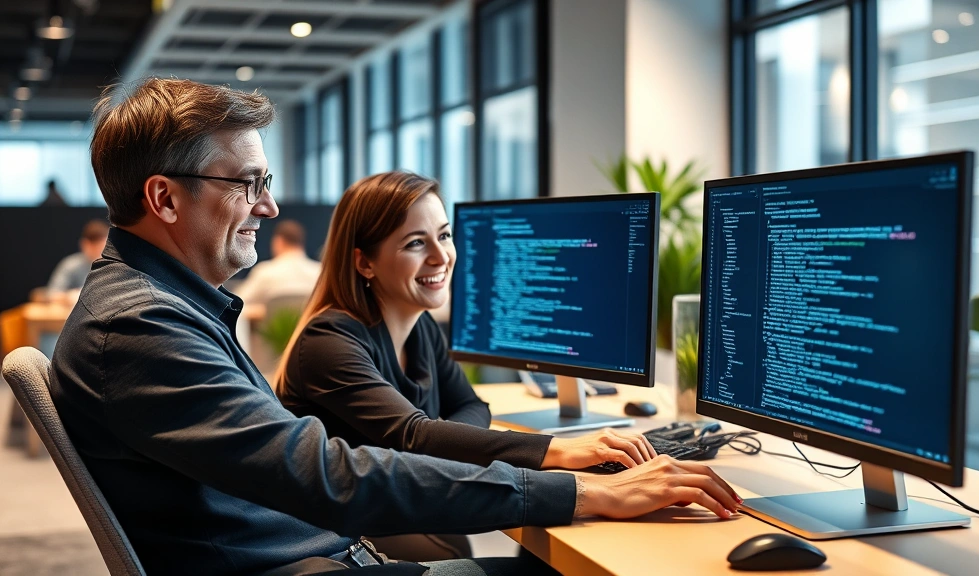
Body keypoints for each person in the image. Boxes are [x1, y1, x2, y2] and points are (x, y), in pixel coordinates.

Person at [50, 78, 741, 576]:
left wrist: (570, 479)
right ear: (164, 197)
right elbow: (325, 472)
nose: (271, 205)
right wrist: (582, 489)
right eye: (249, 184)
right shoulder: (140, 326)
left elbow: (429, 421)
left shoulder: (174, 307)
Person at [274, 171, 670, 561]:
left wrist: (444, 442)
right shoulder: (329, 341)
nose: (441, 256)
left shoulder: (420, 327)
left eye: (444, 235)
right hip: (341, 533)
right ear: (365, 263)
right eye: (415, 243)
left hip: (400, 504)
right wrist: (559, 450)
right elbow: (411, 436)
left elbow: (472, 405)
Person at [234, 219, 321, 306]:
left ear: (278, 241)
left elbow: (237, 304)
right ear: (301, 242)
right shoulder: (320, 271)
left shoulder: (265, 271)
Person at [46, 218, 109, 297]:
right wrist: (71, 296)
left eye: (104, 247)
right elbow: (52, 293)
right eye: (97, 248)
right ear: (84, 244)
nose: (100, 252)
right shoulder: (71, 264)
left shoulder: (116, 265)